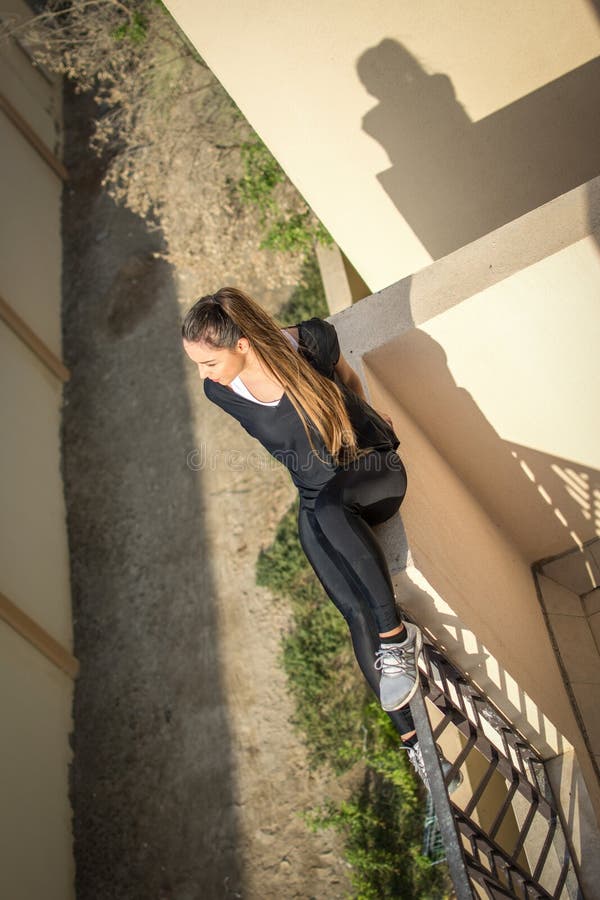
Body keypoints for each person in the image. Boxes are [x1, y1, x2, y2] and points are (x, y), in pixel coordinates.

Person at [181, 287, 455, 789]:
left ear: (242, 344)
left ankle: (397, 639)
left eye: (207, 361)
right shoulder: (220, 391)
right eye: (197, 364)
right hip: (318, 495)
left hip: (371, 469)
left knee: (330, 507)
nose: (202, 374)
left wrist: (372, 414)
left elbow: (347, 377)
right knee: (349, 606)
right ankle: (418, 747)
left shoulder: (310, 343)